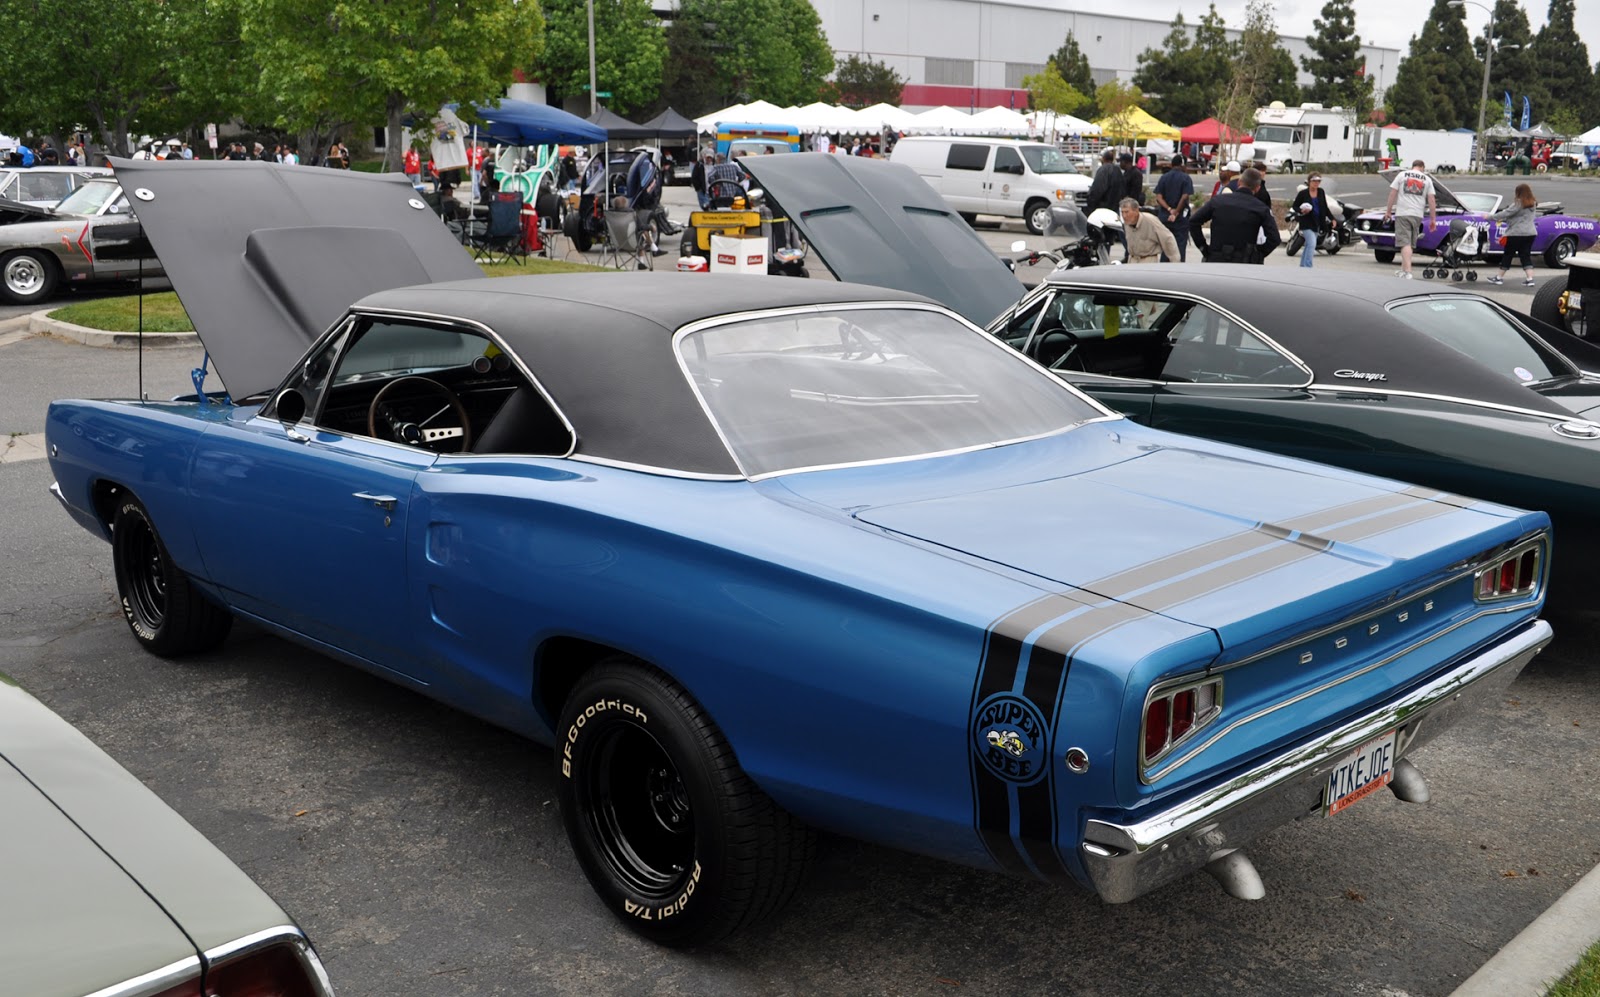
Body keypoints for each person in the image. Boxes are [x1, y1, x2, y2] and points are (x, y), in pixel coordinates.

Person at [1189, 167, 1280, 263]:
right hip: (1245, 262)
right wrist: (1257, 254)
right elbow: (1274, 238)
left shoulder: (1218, 201)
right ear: (1257, 188)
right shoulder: (1261, 208)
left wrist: (1204, 248)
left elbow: (1193, 221)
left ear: (1239, 182)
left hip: (1216, 260)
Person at [1382, 158, 1437, 279]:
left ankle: (1408, 271)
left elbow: (1393, 193)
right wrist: (1433, 219)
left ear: (1413, 166)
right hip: (1417, 214)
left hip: (1403, 213)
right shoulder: (1427, 179)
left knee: (1404, 243)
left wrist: (1388, 212)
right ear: (1422, 167)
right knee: (1410, 244)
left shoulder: (1402, 175)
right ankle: (1403, 270)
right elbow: (1432, 200)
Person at [1488, 182, 1539, 287]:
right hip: (1530, 233)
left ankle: (1499, 278)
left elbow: (1506, 213)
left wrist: (1490, 217)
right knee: (1525, 255)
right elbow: (1517, 216)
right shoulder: (1533, 203)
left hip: (1516, 233)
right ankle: (1530, 279)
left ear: (1519, 193)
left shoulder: (1519, 203)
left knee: (1508, 255)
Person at [1152, 154, 1194, 262]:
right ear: (1182, 165)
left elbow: (1159, 197)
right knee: (1179, 246)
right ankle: (1178, 270)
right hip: (1180, 219)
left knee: (1166, 245)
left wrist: (1169, 209)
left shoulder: (1164, 177)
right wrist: (1176, 212)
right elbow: (1185, 196)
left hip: (1165, 217)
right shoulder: (1186, 178)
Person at [1290, 173, 1333, 268]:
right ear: (1309, 181)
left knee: (1309, 245)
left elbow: (1325, 207)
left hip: (1317, 223)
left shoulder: (1321, 192)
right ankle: (1308, 266)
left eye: (1318, 181)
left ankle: (1303, 265)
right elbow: (1295, 206)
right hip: (1306, 223)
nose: (1316, 183)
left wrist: (1332, 218)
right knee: (1312, 244)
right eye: (1314, 181)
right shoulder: (1303, 193)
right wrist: (1302, 210)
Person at [1120, 198, 1178, 264]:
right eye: (1122, 212)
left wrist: (1175, 262)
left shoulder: (1151, 221)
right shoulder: (1126, 223)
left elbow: (1168, 239)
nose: (1124, 216)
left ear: (1136, 211)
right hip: (1133, 260)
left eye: (1127, 212)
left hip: (1148, 260)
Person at [1087, 149, 1121, 214]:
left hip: (1103, 206)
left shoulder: (1103, 170)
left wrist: (1091, 201)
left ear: (1104, 158)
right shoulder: (1117, 170)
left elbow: (1098, 188)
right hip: (1115, 207)